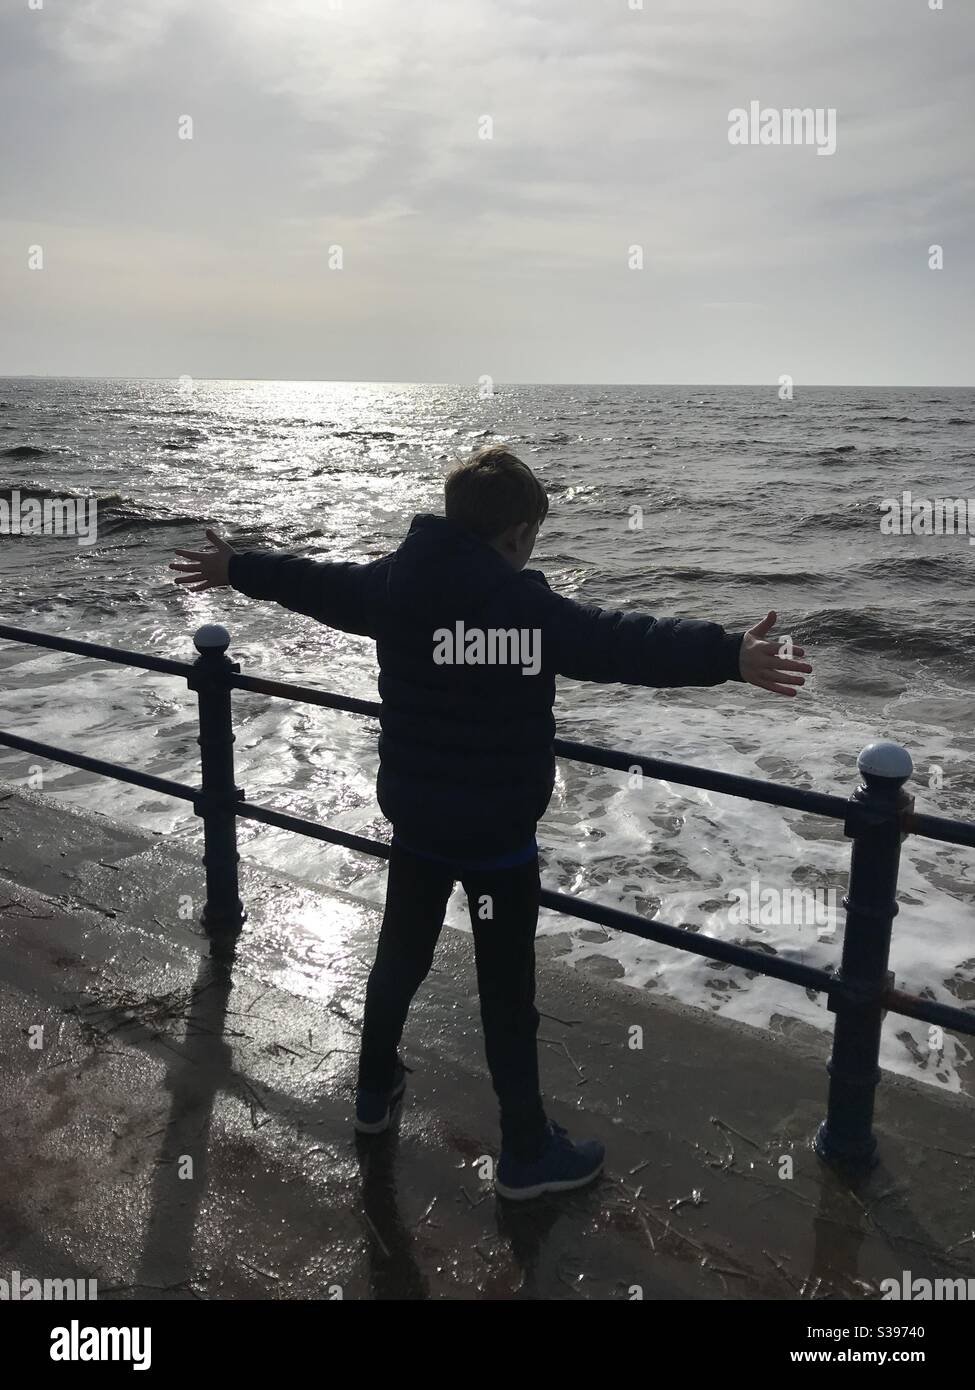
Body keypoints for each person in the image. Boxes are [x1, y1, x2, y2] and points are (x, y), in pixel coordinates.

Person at [170, 444, 811, 1200]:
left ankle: (372, 1095)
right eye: (532, 532)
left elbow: (317, 583)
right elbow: (622, 641)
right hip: (497, 838)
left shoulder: (392, 585)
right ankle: (525, 1153)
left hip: (416, 820)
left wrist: (236, 568)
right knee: (506, 993)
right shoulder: (524, 610)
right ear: (514, 534)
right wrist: (730, 654)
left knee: (398, 960)